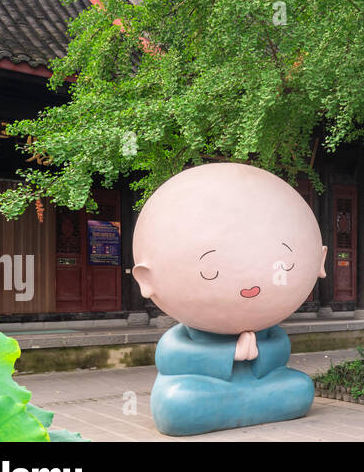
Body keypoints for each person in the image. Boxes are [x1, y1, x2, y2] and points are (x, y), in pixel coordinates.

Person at [132, 162, 327, 436]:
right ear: (146, 279)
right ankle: (239, 406)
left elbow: (280, 349)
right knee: (178, 402)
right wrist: (229, 354)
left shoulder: (267, 330)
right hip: (203, 385)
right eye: (210, 270)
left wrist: (260, 353)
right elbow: (171, 357)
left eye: (283, 264)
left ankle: (237, 407)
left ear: (320, 261)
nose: (250, 284)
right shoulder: (186, 333)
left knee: (300, 386)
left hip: (262, 381)